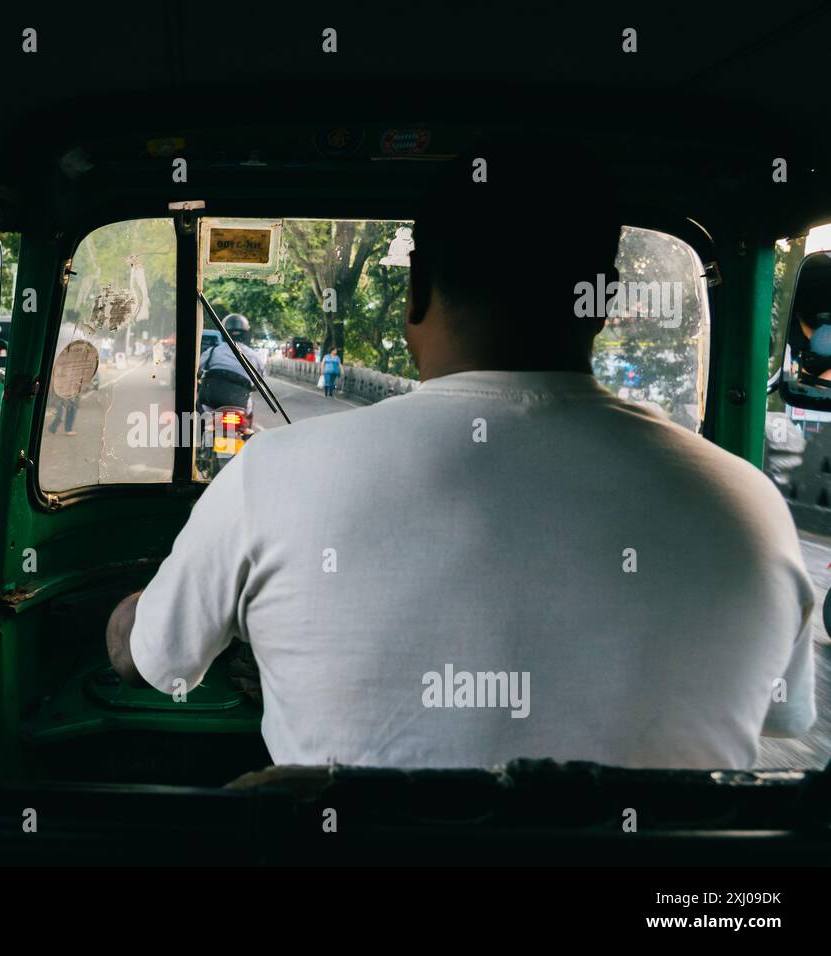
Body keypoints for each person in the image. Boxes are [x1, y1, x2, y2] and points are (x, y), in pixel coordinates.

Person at [104, 139, 816, 771]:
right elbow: (783, 720)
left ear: (417, 291)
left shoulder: (269, 479)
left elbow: (146, 662)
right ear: (601, 303)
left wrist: (144, 605)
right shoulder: (750, 510)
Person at [197, 314, 264, 411]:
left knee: (198, 412)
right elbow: (260, 380)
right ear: (245, 333)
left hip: (210, 405)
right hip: (241, 406)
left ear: (224, 332)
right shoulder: (255, 356)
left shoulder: (212, 352)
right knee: (249, 409)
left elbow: (198, 369)